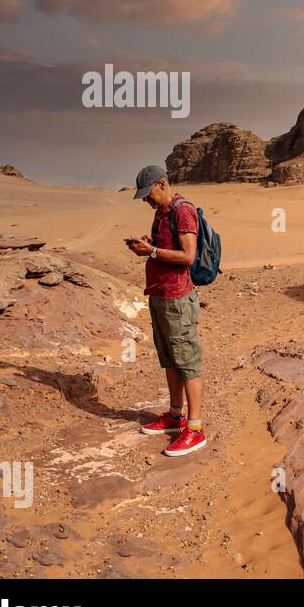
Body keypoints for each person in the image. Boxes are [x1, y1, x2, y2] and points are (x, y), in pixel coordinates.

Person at [127, 165, 208, 457]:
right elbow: (167, 249)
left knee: (187, 361)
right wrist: (151, 245)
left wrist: (150, 252)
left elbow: (187, 255)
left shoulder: (182, 211)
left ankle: (196, 430)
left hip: (177, 299)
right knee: (171, 360)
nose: (146, 200)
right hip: (160, 297)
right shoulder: (161, 213)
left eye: (148, 194)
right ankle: (176, 416)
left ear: (162, 183)